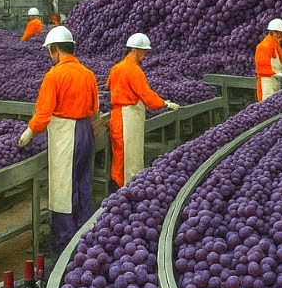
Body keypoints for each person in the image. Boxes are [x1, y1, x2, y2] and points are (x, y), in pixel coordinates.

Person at [18, 26, 99, 256]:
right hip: (85, 131)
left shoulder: (54, 75)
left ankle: (63, 243)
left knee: (63, 187)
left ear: (54, 49)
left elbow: (44, 112)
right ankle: (84, 235)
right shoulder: (87, 73)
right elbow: (94, 107)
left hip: (66, 134)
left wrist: (31, 131)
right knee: (82, 182)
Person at [107, 33, 180, 190]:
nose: (144, 55)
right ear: (135, 50)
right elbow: (146, 94)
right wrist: (164, 103)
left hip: (117, 116)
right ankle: (128, 191)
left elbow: (108, 86)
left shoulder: (116, 68)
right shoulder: (134, 70)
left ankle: (116, 188)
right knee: (131, 157)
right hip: (128, 118)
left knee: (120, 155)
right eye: (143, 51)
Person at [255, 19, 282, 101]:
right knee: (267, 104)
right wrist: (277, 74)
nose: (279, 35)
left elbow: (280, 61)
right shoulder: (263, 47)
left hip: (276, 82)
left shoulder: (276, 46)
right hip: (266, 84)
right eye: (276, 32)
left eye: (281, 33)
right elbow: (263, 68)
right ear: (270, 32)